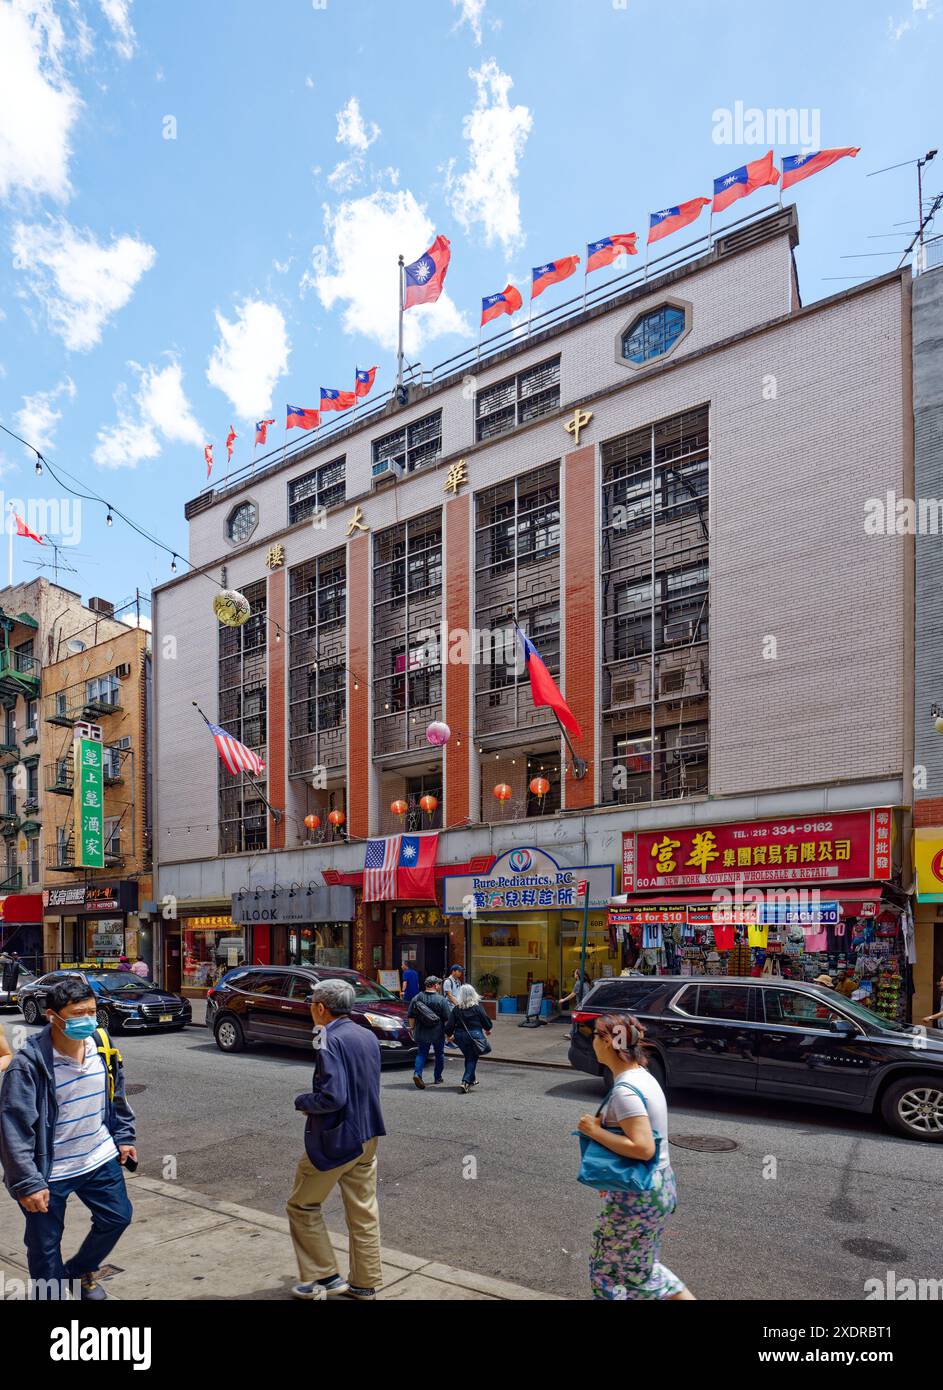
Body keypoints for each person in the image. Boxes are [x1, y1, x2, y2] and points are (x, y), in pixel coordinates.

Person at [0, 975, 136, 1301]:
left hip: (98, 1156)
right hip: (50, 1171)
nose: (87, 1019)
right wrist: (27, 1183)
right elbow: (13, 1129)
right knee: (44, 1246)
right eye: (77, 1014)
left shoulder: (101, 1044)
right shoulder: (28, 1065)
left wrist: (124, 1135)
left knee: (117, 1217)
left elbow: (115, 1094)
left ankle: (76, 1273)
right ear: (53, 1016)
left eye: (91, 1011)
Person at [576, 1014, 694, 1301]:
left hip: (636, 1196)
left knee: (609, 1275)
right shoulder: (643, 1076)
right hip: (657, 1187)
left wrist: (594, 1130)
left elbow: (643, 1148)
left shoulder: (624, 1091)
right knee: (641, 1270)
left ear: (608, 1042)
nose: (592, 1041)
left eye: (595, 1036)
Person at [287, 978, 385, 1301]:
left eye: (311, 1004)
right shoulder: (367, 1034)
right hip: (368, 1134)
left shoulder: (327, 1038)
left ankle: (324, 1276)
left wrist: (304, 1102)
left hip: (338, 1138)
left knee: (302, 1204)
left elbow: (332, 1096)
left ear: (320, 1008)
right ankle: (364, 1282)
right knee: (363, 1211)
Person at [444, 984, 493, 1093]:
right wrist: (487, 1029)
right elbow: (486, 1022)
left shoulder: (457, 1009)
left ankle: (472, 1079)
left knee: (469, 1056)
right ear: (473, 994)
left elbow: (449, 1026)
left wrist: (449, 1035)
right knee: (472, 1058)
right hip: (474, 1036)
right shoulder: (477, 1007)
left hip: (459, 1037)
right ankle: (465, 1081)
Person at [406, 977, 451, 1088]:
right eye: (439, 984)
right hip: (437, 1031)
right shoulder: (441, 1000)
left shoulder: (417, 998)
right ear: (435, 985)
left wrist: (412, 1028)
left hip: (421, 1030)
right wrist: (449, 1033)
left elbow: (411, 1016)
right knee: (439, 1054)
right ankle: (438, 1077)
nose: (439, 986)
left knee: (421, 1054)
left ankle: (417, 1074)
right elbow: (447, 1019)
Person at [442, 965, 464, 1048]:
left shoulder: (458, 981)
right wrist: (458, 1005)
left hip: (455, 1006)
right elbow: (449, 996)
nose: (460, 973)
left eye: (461, 971)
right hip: (449, 1006)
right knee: (449, 1024)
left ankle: (452, 1040)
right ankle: (447, 1042)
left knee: (454, 1024)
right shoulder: (448, 981)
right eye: (459, 971)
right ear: (453, 971)